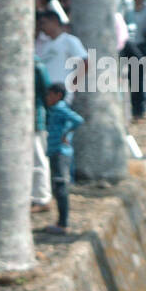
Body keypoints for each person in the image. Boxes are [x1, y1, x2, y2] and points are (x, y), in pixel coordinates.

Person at [45, 81, 83, 235]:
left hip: (61, 152)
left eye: (50, 94)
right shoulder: (54, 109)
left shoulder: (60, 109)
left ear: (58, 96)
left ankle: (63, 224)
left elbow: (78, 120)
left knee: (60, 186)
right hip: (55, 151)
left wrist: (66, 133)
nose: (47, 97)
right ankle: (61, 221)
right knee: (58, 186)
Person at [35, 9, 87, 100]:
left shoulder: (69, 40)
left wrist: (73, 83)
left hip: (61, 94)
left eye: (43, 23)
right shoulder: (45, 44)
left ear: (54, 21)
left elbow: (86, 62)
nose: (42, 27)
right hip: (46, 93)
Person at [31, 56, 52, 212]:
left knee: (38, 158)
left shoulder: (37, 65)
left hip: (34, 118)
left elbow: (46, 92)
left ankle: (42, 198)